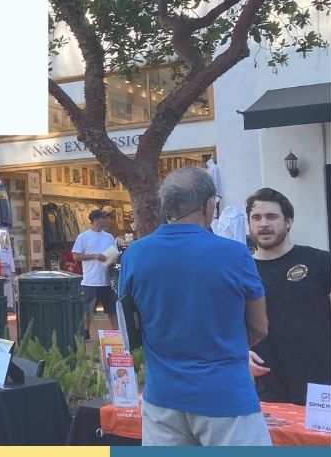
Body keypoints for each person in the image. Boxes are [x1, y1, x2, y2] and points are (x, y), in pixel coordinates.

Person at [118, 167, 270, 446]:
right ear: (208, 204)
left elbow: (130, 327)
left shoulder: (135, 254)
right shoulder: (234, 253)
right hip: (226, 396)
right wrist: (232, 345)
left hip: (162, 397)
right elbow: (260, 327)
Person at [245, 188, 331, 405]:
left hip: (320, 383)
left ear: (289, 221)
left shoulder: (320, 261)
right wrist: (240, 353)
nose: (263, 223)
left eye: (271, 216)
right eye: (256, 217)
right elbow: (223, 324)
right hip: (263, 385)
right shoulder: (240, 270)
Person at [72, 209, 118, 340]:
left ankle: (116, 334)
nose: (106, 220)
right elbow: (76, 256)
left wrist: (112, 258)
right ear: (96, 220)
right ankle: (85, 332)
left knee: (112, 310)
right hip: (90, 280)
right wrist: (95, 256)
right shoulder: (83, 237)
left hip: (107, 280)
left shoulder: (109, 237)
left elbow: (114, 254)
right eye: (103, 218)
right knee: (87, 310)